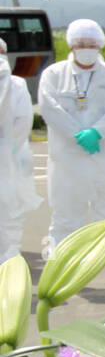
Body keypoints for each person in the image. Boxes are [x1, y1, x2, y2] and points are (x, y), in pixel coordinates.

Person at [37, 19, 105, 288]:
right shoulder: (54, 74)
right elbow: (49, 106)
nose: (86, 49)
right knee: (66, 218)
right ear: (71, 45)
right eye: (81, 44)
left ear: (100, 45)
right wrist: (76, 134)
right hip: (68, 160)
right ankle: (63, 273)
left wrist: (98, 132)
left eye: (92, 44)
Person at [0, 38, 39, 261]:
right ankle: (8, 256)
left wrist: (9, 147)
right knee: (8, 206)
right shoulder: (15, 84)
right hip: (9, 154)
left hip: (9, 155)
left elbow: (22, 122)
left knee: (9, 207)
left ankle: (8, 256)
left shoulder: (15, 84)